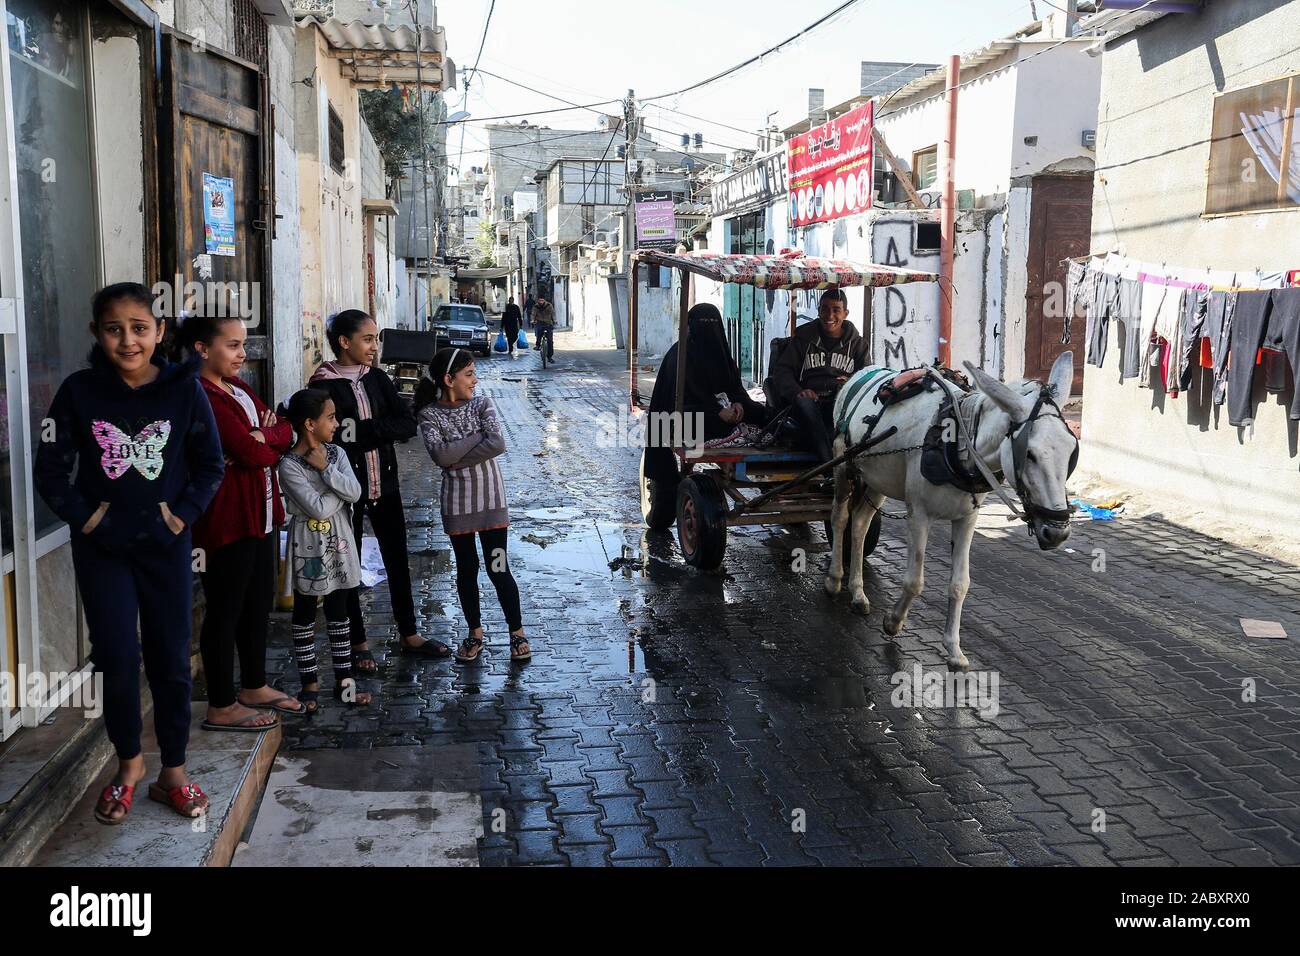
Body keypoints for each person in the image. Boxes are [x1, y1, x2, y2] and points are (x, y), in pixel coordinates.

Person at [34, 282, 224, 825]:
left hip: (167, 547)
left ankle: (174, 773)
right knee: (117, 657)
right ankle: (129, 767)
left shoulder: (184, 391)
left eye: (140, 328)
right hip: (103, 549)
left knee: (170, 657)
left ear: (159, 332)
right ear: (97, 333)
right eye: (114, 329)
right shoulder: (79, 391)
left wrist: (177, 516)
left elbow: (210, 465)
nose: (128, 340)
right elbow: (50, 469)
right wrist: (90, 517)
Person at [185, 313, 306, 730]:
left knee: (257, 604)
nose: (242, 353)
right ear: (203, 348)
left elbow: (286, 432)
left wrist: (265, 438)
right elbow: (251, 451)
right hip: (228, 518)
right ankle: (220, 703)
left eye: (243, 344)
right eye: (232, 345)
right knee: (225, 609)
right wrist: (262, 442)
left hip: (264, 512)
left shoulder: (236, 387)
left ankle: (253, 684)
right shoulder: (200, 394)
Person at [310, 310, 451, 665]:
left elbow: (406, 424)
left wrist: (363, 430)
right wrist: (374, 430)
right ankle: (357, 645)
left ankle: (410, 633)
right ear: (345, 342)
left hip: (383, 484)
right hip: (343, 491)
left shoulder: (377, 379)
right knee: (348, 565)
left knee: (397, 559)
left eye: (376, 339)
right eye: (368, 339)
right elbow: (330, 435)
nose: (375, 346)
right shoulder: (322, 385)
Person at [414, 349, 530, 663]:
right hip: (457, 507)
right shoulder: (429, 414)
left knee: (498, 568)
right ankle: (474, 634)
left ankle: (516, 633)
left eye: (475, 373)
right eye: (469, 374)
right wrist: (475, 438)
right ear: (448, 379)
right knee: (467, 570)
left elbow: (498, 444)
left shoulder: (482, 403)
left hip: (492, 503)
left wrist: (455, 457)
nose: (475, 380)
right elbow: (440, 456)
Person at [279, 389, 373, 710]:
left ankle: (345, 683)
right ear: (309, 424)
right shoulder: (288, 466)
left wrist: (327, 471)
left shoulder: (336, 454)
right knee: (305, 612)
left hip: (340, 544)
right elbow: (318, 508)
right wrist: (336, 486)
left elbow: (357, 492)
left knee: (339, 611)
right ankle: (310, 684)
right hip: (308, 546)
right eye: (330, 417)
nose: (336, 424)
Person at [644, 303, 771, 486]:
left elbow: (734, 388)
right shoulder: (679, 355)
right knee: (692, 421)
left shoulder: (722, 354)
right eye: (702, 323)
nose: (708, 328)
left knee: (760, 412)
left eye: (713, 322)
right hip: (686, 414)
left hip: (722, 410)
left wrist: (738, 404)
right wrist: (716, 411)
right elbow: (684, 396)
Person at [769, 289, 869, 461]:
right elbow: (782, 371)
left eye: (836, 309)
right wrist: (798, 391)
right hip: (809, 404)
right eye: (825, 309)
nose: (829, 315)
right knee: (805, 403)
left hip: (840, 402)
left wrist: (850, 383)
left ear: (846, 313)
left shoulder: (858, 345)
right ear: (819, 311)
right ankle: (830, 464)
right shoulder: (802, 339)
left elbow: (867, 377)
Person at [532, 293, 556, 360]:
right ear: (538, 300)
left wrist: (554, 320)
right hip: (539, 322)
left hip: (548, 323)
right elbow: (533, 314)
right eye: (540, 300)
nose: (541, 302)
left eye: (542, 300)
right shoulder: (536, 306)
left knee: (550, 341)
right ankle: (538, 345)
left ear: (544, 300)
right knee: (538, 333)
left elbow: (553, 313)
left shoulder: (549, 305)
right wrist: (532, 320)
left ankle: (550, 356)